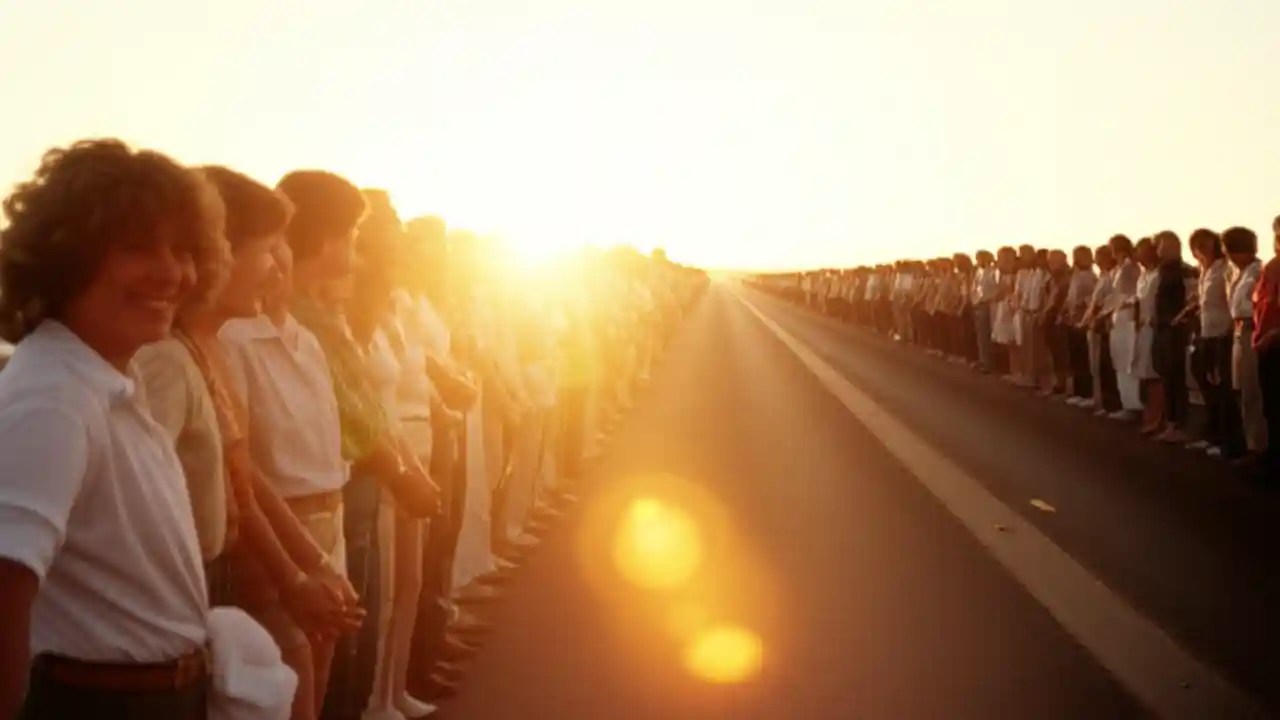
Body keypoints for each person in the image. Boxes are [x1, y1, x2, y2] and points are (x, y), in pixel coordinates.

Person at [0, 140, 220, 719]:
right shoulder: (54, 397)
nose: (172, 273)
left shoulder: (102, 379)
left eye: (182, 249)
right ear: (66, 257)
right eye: (137, 248)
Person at [137, 167, 362, 720]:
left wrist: (312, 565)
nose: (278, 264)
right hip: (206, 585)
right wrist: (292, 579)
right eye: (267, 249)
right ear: (218, 255)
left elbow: (244, 476)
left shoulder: (203, 350)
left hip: (231, 574)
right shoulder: (168, 362)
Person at [276, 170, 438, 720]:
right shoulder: (293, 317)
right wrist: (398, 471)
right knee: (329, 665)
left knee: (346, 652)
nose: (357, 251)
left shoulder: (320, 313)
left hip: (348, 499)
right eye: (349, 236)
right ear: (322, 239)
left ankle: (388, 697)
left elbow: (362, 402)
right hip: (321, 508)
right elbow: (349, 412)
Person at [1184, 229, 1241, 458]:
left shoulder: (1224, 267)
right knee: (1204, 382)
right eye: (1197, 244)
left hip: (1222, 333)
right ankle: (1213, 434)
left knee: (1223, 388)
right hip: (1205, 332)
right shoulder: (1203, 271)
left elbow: (1230, 299)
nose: (1202, 248)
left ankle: (1227, 439)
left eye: (1206, 243)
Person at [1224, 226, 1268, 465]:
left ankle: (1258, 448)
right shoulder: (1238, 273)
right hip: (1239, 332)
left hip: (1252, 330)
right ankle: (1251, 444)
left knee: (1253, 392)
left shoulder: (1257, 272)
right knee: (1242, 390)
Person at [1151, 232, 1192, 443]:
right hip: (1161, 330)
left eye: (1166, 246)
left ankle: (1179, 424)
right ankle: (1170, 421)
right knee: (1166, 375)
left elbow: (1191, 300)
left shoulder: (1185, 271)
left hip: (1175, 331)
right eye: (1160, 246)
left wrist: (1179, 323)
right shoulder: (1161, 271)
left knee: (1176, 377)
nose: (1161, 250)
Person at [1252, 216, 1280, 476]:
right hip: (1266, 341)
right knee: (1271, 403)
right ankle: (1272, 455)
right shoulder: (1272, 266)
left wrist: (1274, 334)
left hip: (1275, 340)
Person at [1107, 234, 1143, 421]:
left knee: (1128, 362)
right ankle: (1126, 402)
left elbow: (1133, 295)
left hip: (1127, 316)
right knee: (1119, 361)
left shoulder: (1130, 268)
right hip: (1118, 316)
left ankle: (1133, 405)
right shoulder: (1120, 268)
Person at [1064, 246, 1097, 404]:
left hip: (1083, 320)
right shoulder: (1076, 276)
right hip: (1073, 320)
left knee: (1084, 358)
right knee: (1076, 357)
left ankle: (1087, 393)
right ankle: (1079, 391)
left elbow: (1091, 298)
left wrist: (1080, 307)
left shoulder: (1090, 276)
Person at [971, 250, 998, 373]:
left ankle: (989, 363)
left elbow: (996, 289)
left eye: (979, 259)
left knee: (987, 335)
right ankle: (983, 360)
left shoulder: (993, 271)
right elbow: (976, 289)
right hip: (979, 304)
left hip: (989, 304)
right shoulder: (979, 272)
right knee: (981, 335)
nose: (977, 262)